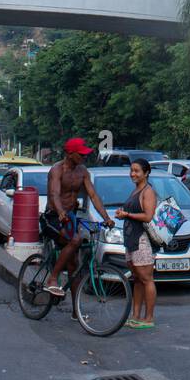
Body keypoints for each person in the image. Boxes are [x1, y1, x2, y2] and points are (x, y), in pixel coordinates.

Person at [42, 137, 114, 299]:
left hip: (70, 217)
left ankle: (76, 310)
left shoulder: (83, 171)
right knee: (75, 240)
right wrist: (60, 212)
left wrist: (106, 218)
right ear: (69, 153)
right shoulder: (57, 170)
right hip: (53, 217)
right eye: (80, 154)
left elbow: (93, 195)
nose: (84, 157)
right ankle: (52, 278)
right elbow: (54, 194)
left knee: (74, 266)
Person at [116, 158, 159, 329]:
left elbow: (148, 216)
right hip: (131, 239)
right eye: (131, 170)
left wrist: (126, 215)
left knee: (146, 279)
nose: (133, 174)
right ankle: (135, 316)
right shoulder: (136, 190)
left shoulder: (148, 192)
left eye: (136, 171)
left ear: (146, 173)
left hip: (142, 240)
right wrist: (124, 213)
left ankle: (148, 319)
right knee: (137, 279)